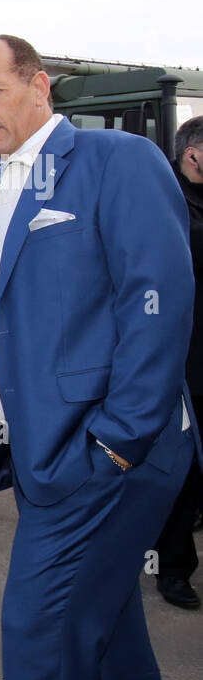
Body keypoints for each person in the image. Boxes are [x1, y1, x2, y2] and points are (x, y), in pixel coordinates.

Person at [0, 35, 195, 680]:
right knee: (105, 633)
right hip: (43, 457)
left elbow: (157, 303)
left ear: (39, 85)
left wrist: (115, 444)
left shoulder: (117, 161)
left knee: (39, 638)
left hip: (105, 453)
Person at [153, 115, 203, 609]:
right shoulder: (166, 200)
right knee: (180, 472)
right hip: (184, 361)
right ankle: (174, 570)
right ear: (193, 155)